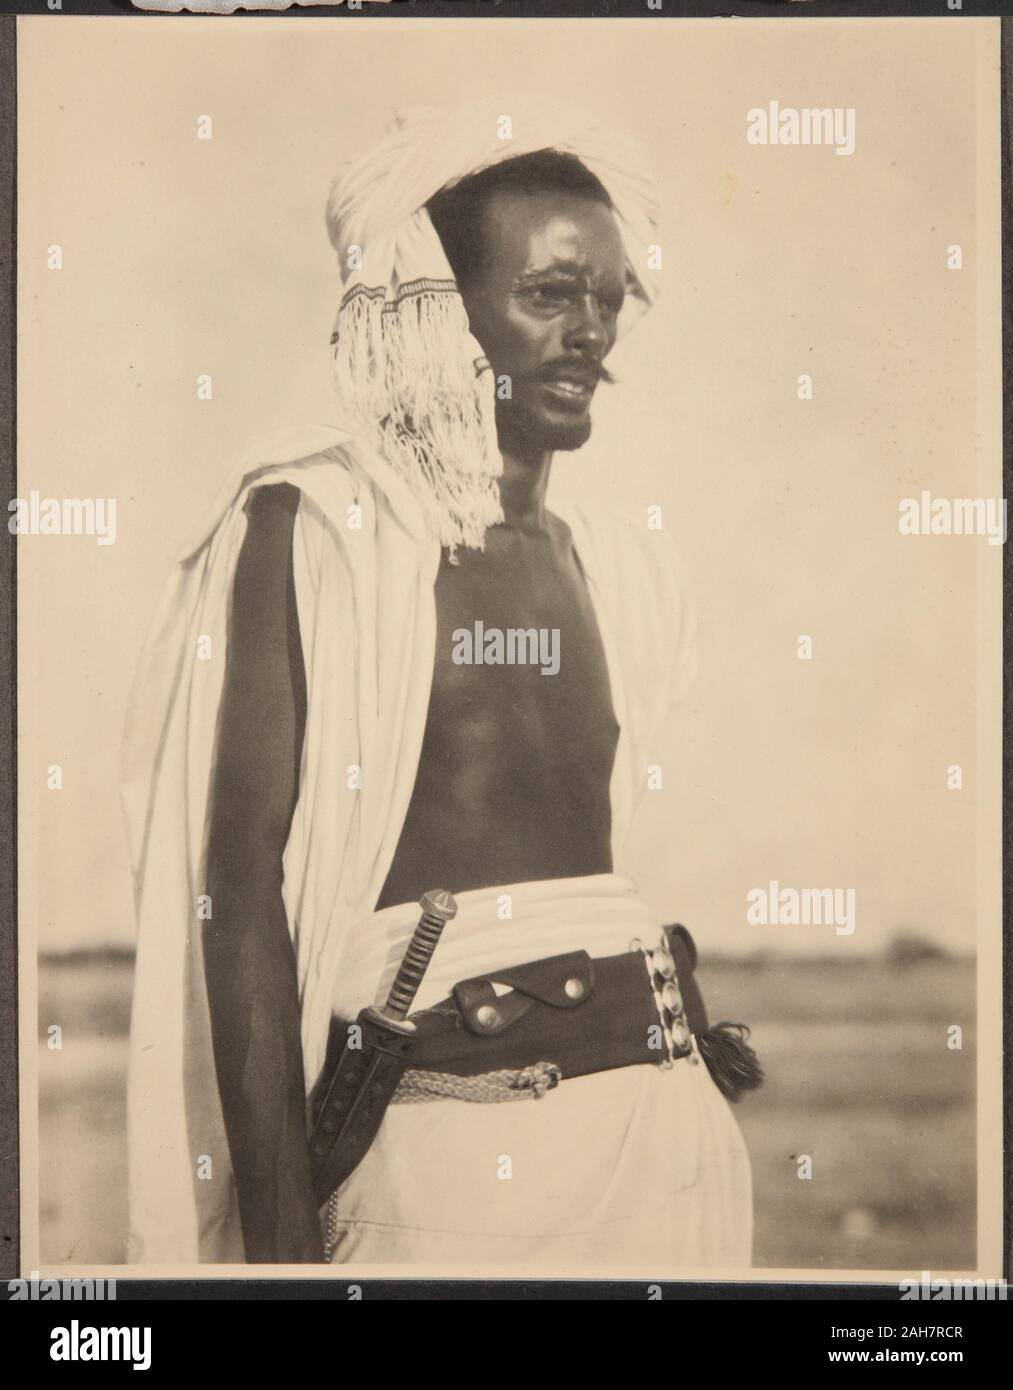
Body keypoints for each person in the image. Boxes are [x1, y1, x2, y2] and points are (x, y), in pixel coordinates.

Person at [122, 98, 753, 1267]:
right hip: (439, 1164)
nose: (591, 333)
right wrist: (280, 1248)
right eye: (550, 293)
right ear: (441, 312)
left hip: (665, 1144)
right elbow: (240, 888)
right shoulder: (317, 529)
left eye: (608, 299)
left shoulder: (618, 566)